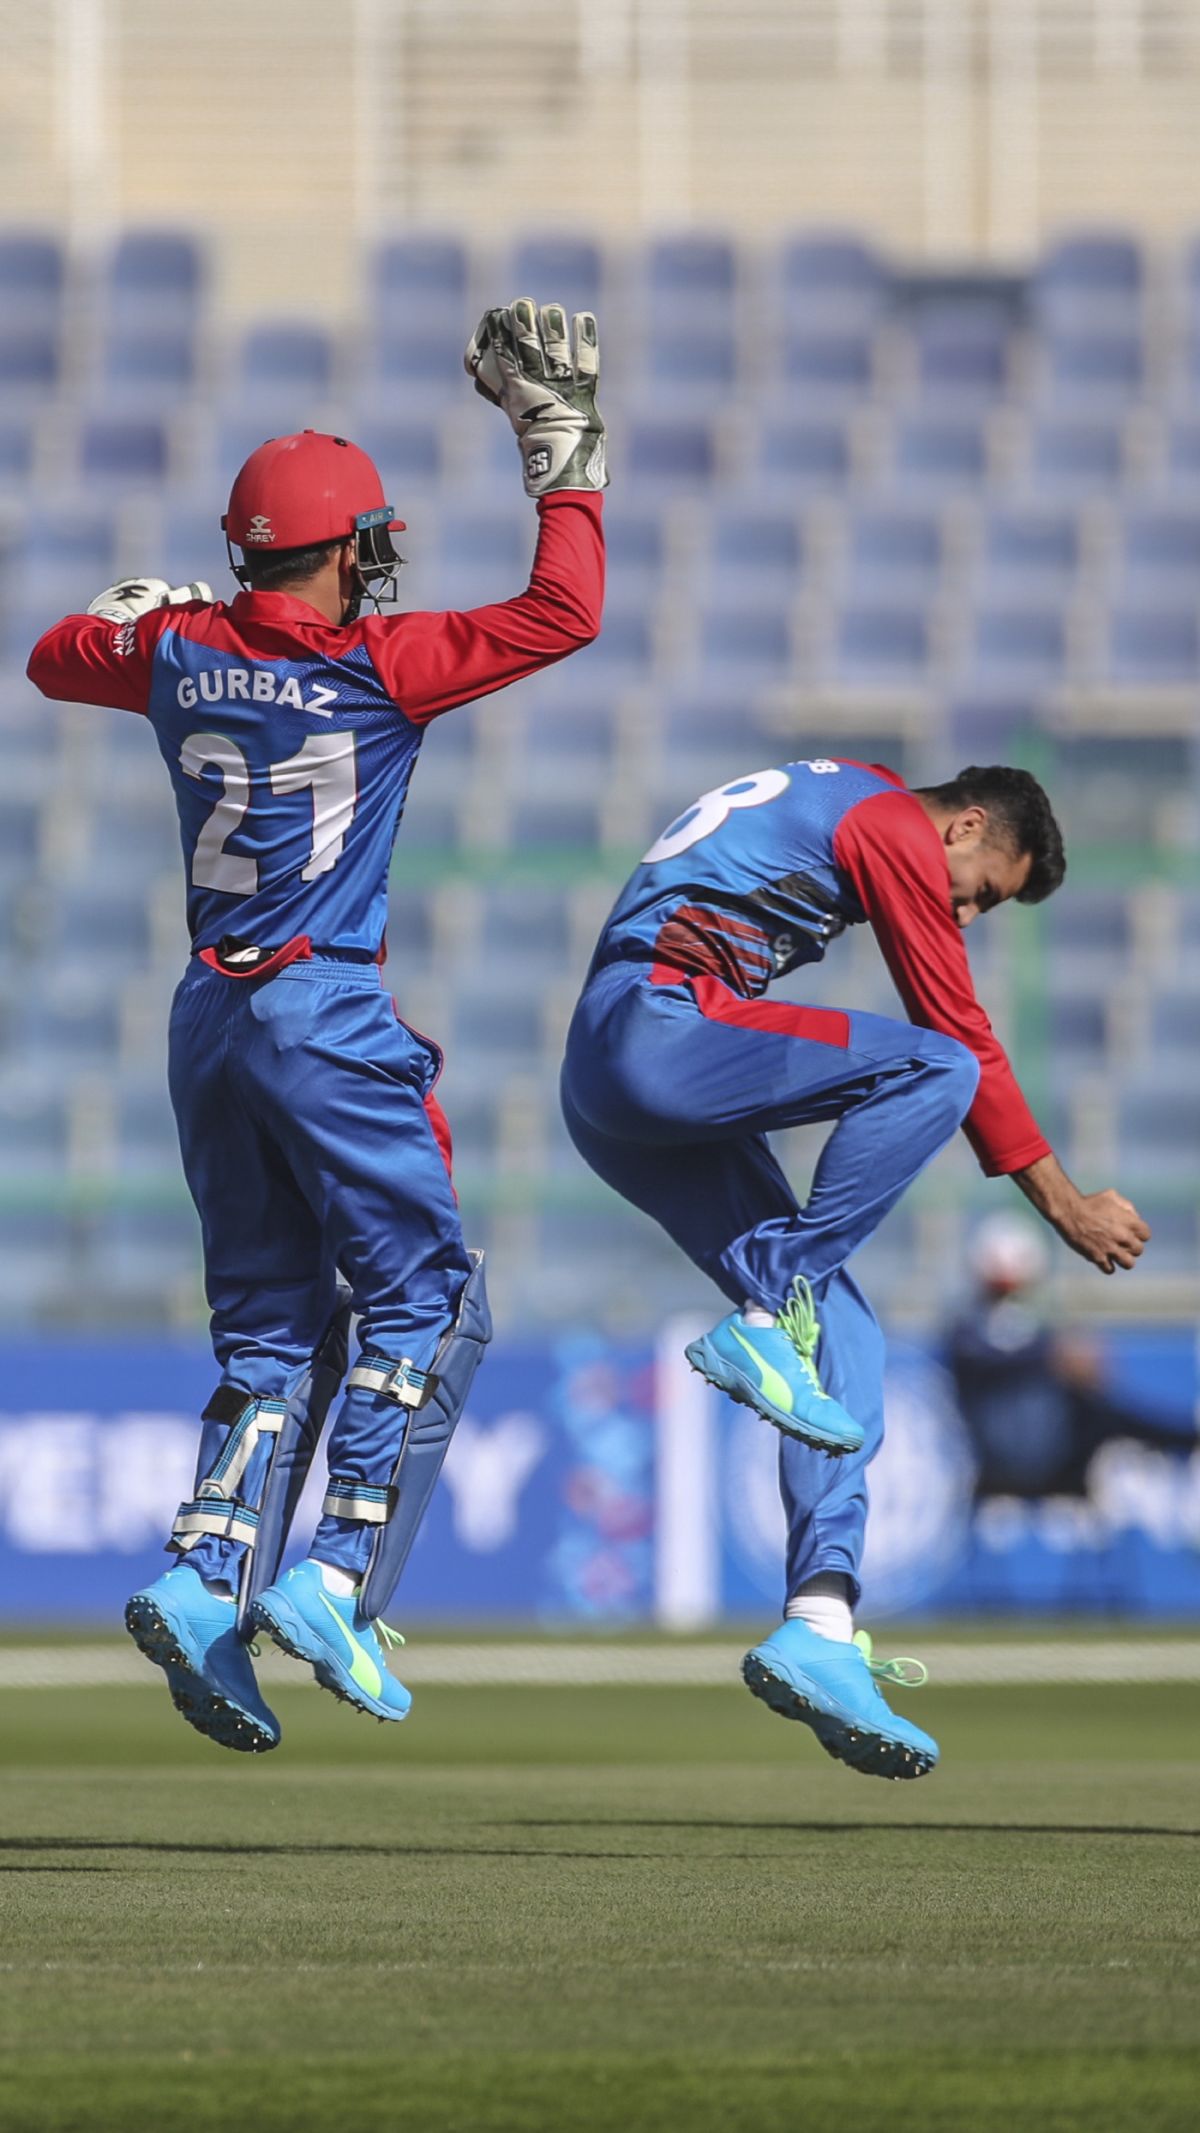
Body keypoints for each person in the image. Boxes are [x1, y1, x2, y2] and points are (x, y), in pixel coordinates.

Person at [27, 299, 606, 1753]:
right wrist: (563, 455)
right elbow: (565, 613)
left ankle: (202, 1574)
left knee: (273, 1334)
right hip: (321, 1002)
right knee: (434, 1302)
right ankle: (338, 1574)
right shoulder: (380, 662)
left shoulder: (175, 653)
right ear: (348, 551)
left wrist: (137, 611)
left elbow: (52, 655)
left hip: (206, 1018)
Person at [561, 758, 1149, 1779]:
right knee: (939, 1063)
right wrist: (1064, 1202)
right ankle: (765, 1303)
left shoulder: (845, 794)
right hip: (654, 1025)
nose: (966, 914)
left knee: (845, 1339)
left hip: (614, 1073)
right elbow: (955, 1026)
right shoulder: (886, 819)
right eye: (984, 891)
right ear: (966, 825)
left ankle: (820, 1625)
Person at [948, 1213, 1193, 1503]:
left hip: (1053, 1458)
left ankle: (1184, 1438)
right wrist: (1053, 1354)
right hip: (999, 1465)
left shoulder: (1039, 1333)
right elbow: (985, 1359)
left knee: (1099, 1409)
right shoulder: (968, 1334)